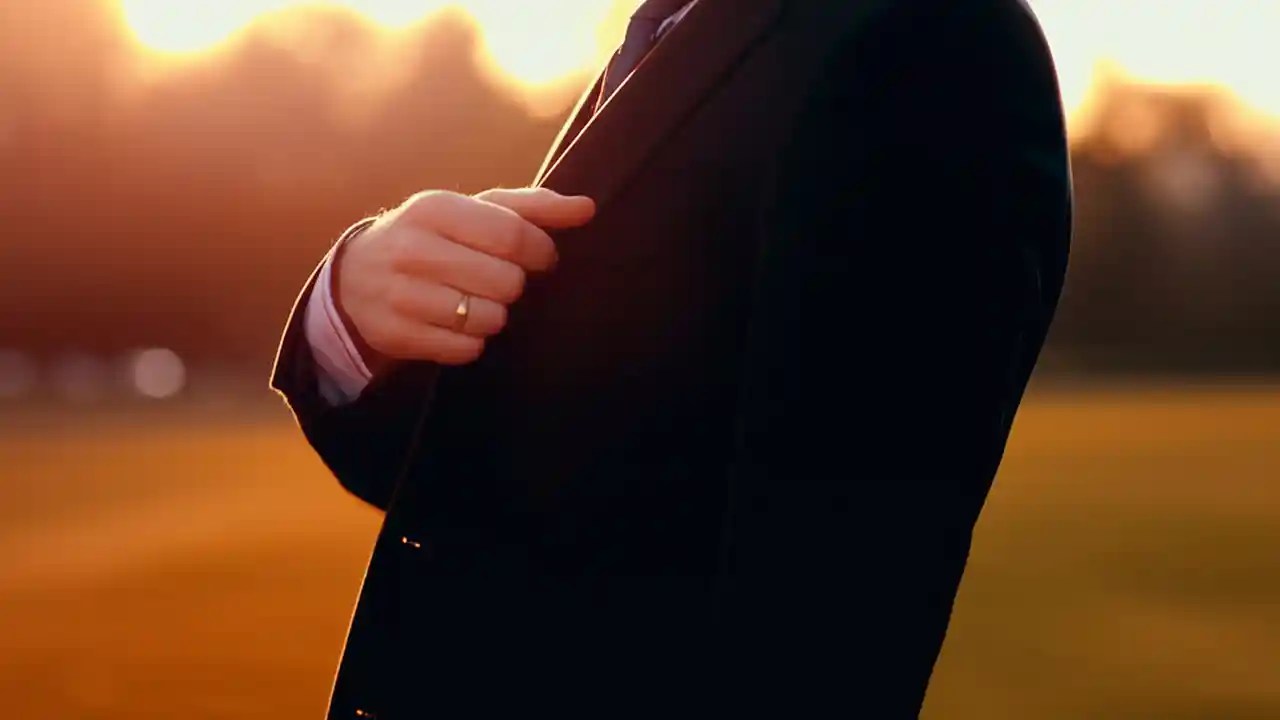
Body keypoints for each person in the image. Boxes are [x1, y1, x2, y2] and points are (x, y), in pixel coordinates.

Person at [270, 0, 1073, 716]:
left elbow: (822, 623)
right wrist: (353, 299)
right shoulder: (677, 34)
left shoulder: (925, 37)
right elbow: (507, 486)